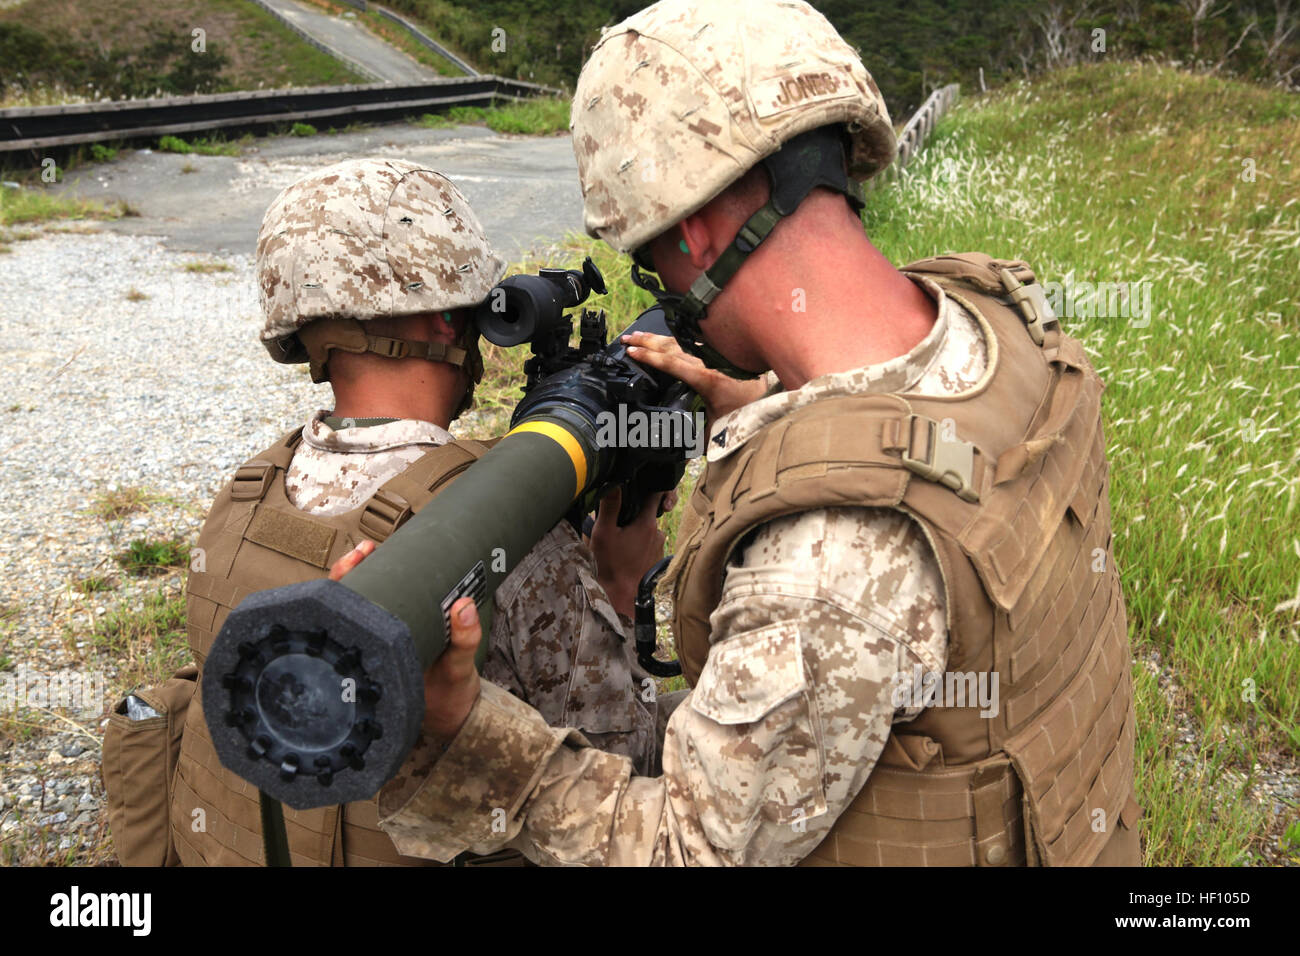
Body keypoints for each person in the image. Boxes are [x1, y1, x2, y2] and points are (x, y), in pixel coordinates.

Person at [370, 0, 1143, 867]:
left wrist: (461, 727)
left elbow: (682, 850)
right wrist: (770, 413)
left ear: (695, 229)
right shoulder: (1009, 329)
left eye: (651, 260)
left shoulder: (826, 560)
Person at [165, 158, 666, 867]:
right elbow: (632, 775)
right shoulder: (504, 537)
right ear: (447, 318)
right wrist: (615, 585)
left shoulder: (247, 494)